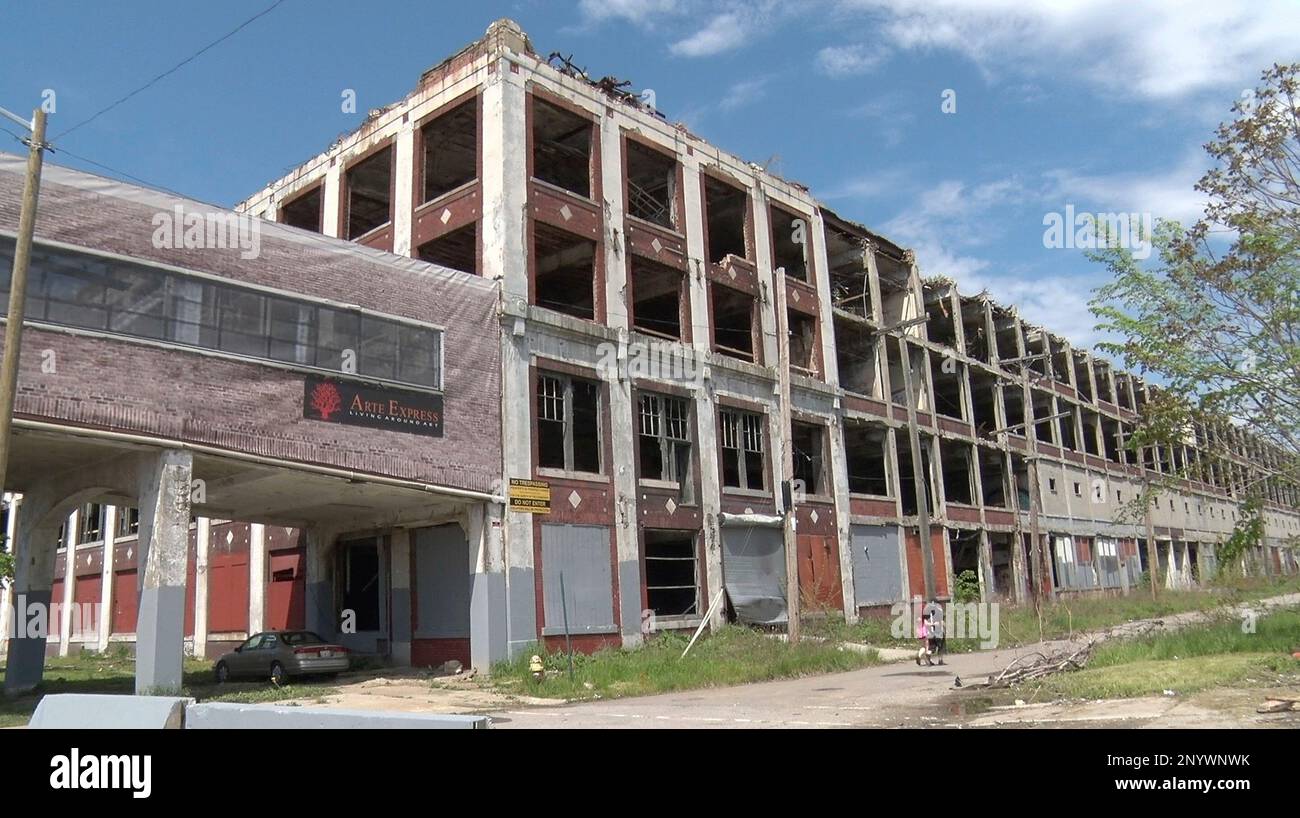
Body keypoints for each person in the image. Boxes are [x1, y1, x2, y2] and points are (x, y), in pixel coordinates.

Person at [924, 599, 947, 666]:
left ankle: (928, 656)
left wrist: (931, 625)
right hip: (939, 632)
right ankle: (940, 660)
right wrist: (944, 629)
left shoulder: (927, 613)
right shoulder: (939, 612)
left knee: (931, 647)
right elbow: (942, 622)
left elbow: (925, 623)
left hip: (930, 633)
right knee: (941, 647)